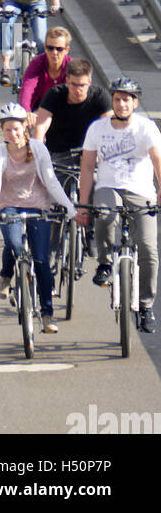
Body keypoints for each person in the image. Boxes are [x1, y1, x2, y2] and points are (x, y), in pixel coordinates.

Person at [0, 102, 76, 334]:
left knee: (41, 260)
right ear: (3, 132)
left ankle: (47, 314)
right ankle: (6, 275)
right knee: (14, 243)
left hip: (38, 208)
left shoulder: (39, 149)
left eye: (17, 128)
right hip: (10, 207)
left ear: (25, 128)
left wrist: (69, 207)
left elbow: (51, 181)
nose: (13, 133)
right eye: (8, 129)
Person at [77, 78, 161, 332]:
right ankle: (104, 263)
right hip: (108, 187)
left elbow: (158, 162)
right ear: (112, 102)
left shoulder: (146, 128)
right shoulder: (97, 129)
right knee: (103, 214)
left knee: (148, 248)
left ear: (135, 103)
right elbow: (88, 166)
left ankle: (146, 306)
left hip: (140, 191)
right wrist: (82, 206)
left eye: (127, 99)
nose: (121, 104)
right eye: (117, 99)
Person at [18, 26, 73, 116]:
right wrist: (26, 112)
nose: (54, 52)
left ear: (67, 50)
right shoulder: (37, 63)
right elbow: (27, 88)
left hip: (66, 111)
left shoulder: (72, 66)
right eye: (50, 48)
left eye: (59, 49)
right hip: (40, 109)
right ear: (45, 48)